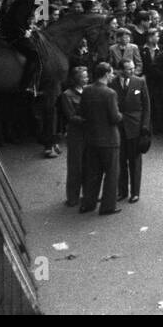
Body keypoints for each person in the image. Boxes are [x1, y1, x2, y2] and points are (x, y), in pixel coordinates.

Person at [78, 62, 122, 216]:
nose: (112, 76)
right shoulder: (110, 93)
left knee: (92, 173)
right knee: (111, 173)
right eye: (111, 73)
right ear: (105, 74)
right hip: (109, 139)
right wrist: (122, 115)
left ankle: (88, 203)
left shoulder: (87, 90)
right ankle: (108, 206)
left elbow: (82, 112)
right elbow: (115, 117)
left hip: (92, 138)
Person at [113, 58, 151, 202]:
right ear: (120, 70)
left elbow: (147, 106)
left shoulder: (140, 82)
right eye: (128, 69)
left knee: (135, 161)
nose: (131, 71)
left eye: (132, 68)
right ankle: (122, 191)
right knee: (121, 160)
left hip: (135, 127)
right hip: (119, 127)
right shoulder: (112, 83)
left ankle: (135, 192)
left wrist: (145, 126)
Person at [59, 66, 87, 208]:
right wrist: (89, 120)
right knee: (75, 166)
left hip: (89, 133)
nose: (87, 79)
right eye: (84, 77)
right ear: (76, 79)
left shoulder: (88, 91)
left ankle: (88, 194)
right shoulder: (67, 94)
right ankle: (72, 197)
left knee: (89, 165)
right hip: (76, 134)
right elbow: (70, 116)